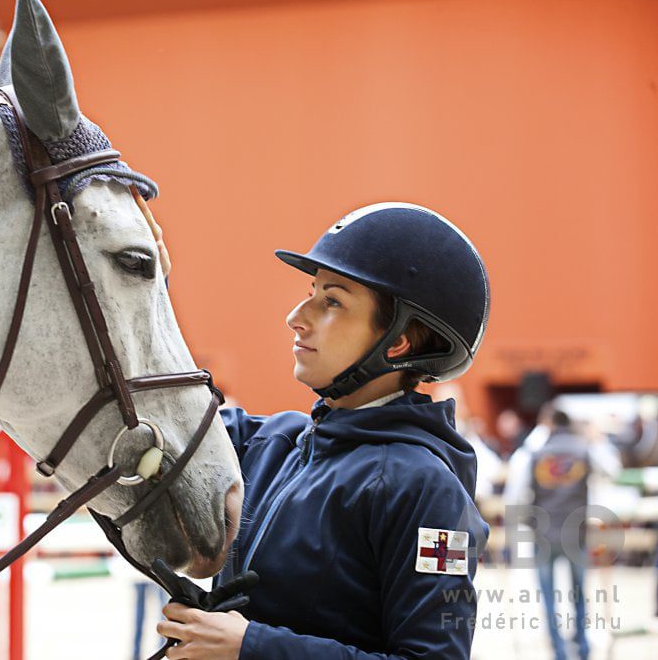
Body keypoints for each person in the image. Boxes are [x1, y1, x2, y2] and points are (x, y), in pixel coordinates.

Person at [150, 202, 491, 659]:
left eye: (332, 300)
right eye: (311, 291)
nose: (296, 315)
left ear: (400, 341)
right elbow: (164, 411)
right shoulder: (271, 443)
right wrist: (145, 288)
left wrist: (251, 647)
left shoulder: (429, 492)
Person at [505, 407, 621, 660]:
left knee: (549, 598)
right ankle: (582, 648)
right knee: (580, 594)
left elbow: (514, 494)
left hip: (543, 535)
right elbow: (613, 470)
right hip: (576, 534)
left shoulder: (535, 453)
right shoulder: (584, 450)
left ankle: (559, 652)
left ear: (548, 425)